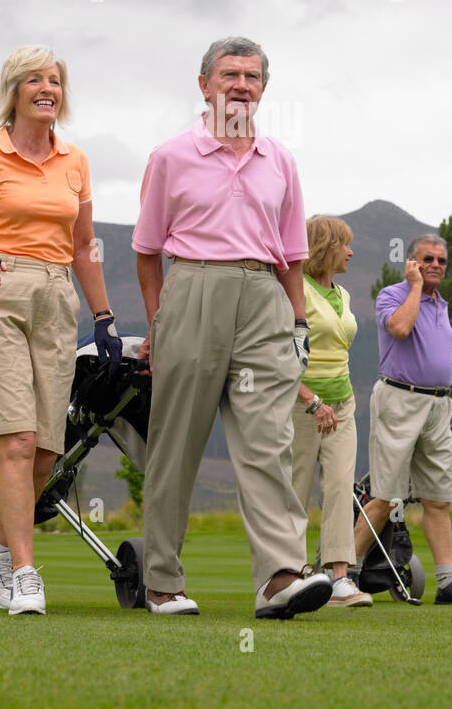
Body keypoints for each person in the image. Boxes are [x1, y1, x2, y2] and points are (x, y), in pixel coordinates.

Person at [132, 36, 332, 618]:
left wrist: (297, 324)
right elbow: (146, 252)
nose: (240, 84)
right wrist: (161, 321)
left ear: (264, 88)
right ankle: (163, 583)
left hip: (266, 299)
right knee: (175, 446)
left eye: (251, 76)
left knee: (269, 443)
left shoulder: (281, 160)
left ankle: (280, 579)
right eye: (229, 74)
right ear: (205, 85)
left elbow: (294, 255)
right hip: (192, 290)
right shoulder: (170, 156)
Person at [0, 45, 122, 615]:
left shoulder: (75, 160)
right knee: (16, 442)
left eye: (56, 81)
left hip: (56, 295)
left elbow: (83, 247)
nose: (48, 88)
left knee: (48, 449)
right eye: (35, 81)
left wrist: (105, 316)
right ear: (14, 91)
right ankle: (23, 572)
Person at [354, 233, 452, 605]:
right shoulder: (394, 294)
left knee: (438, 498)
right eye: (427, 259)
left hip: (437, 407)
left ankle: (447, 584)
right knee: (385, 495)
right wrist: (414, 287)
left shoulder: (441, 305)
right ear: (412, 263)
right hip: (400, 399)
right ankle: (344, 574)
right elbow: (400, 328)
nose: (435, 266)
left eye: (441, 261)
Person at [291, 216, 372, 608]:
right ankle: (290, 572)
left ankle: (339, 578)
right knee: (296, 489)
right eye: (344, 245)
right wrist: (311, 400)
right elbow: (279, 355)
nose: (351, 252)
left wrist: (334, 401)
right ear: (325, 247)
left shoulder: (345, 294)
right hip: (302, 405)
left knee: (341, 487)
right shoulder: (295, 291)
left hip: (343, 404)